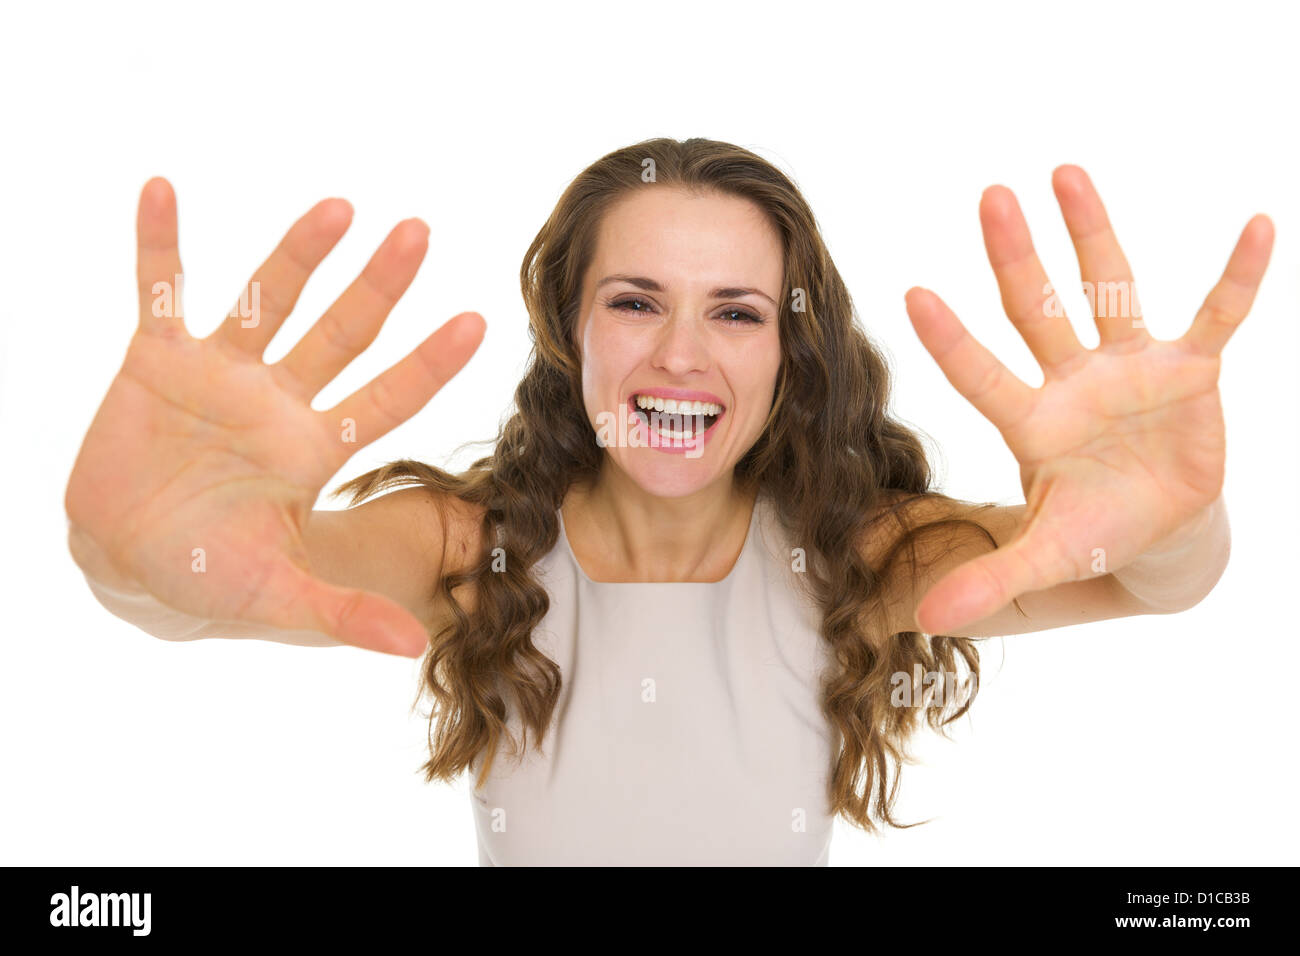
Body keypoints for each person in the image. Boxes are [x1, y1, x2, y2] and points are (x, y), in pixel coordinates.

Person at [64, 137, 1272, 865]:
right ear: (570, 333)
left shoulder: (857, 558)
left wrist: (1173, 516)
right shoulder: (467, 548)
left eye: (737, 312)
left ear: (791, 353)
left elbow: (1147, 577)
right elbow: (197, 588)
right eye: (635, 301)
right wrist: (133, 553)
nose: (680, 357)